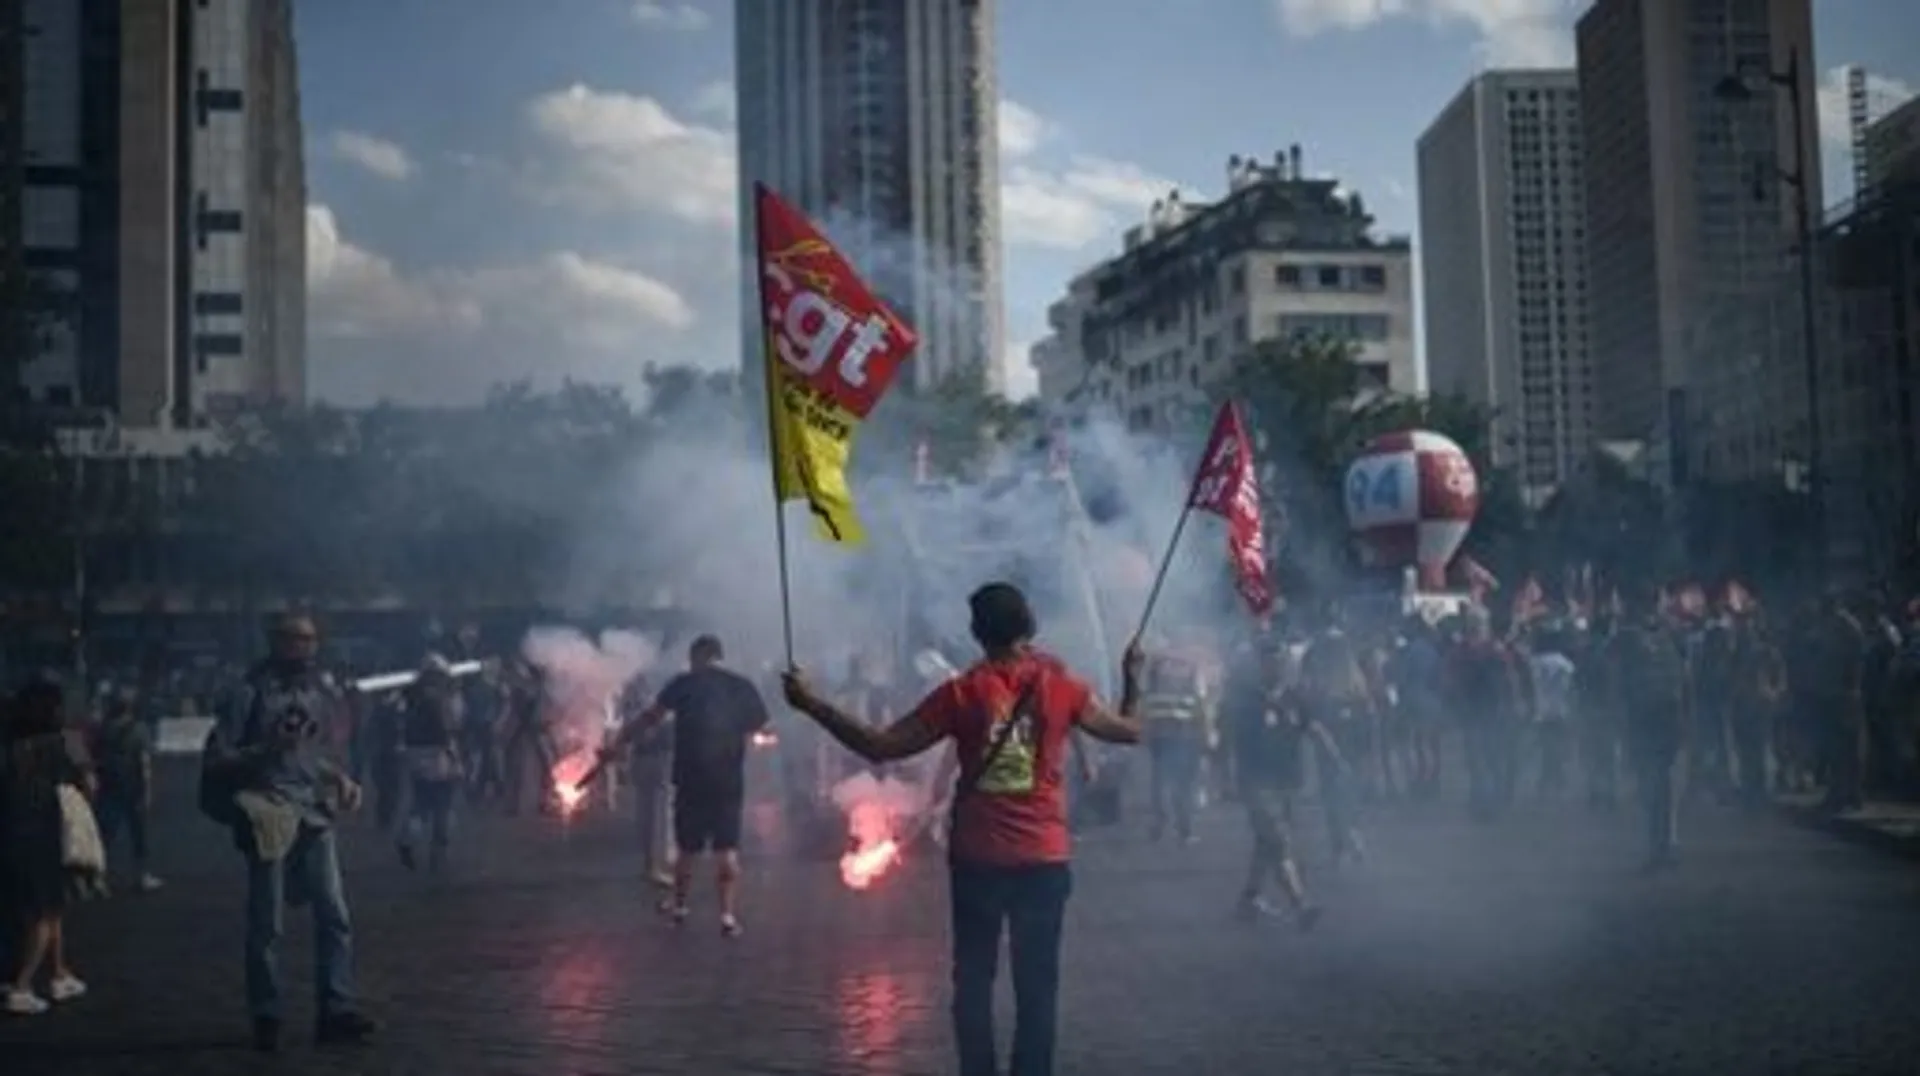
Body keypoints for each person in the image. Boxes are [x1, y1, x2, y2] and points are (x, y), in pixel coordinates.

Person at [782, 581, 1145, 1076]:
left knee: (973, 983)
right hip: (1043, 859)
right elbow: (1130, 730)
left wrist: (813, 705)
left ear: (977, 632)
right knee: (1037, 987)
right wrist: (1133, 678)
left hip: (979, 860)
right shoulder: (1064, 687)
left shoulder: (961, 693)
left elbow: (880, 745)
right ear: (1029, 626)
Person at [201, 614, 376, 1051]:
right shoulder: (249, 691)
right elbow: (220, 756)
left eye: (310, 639)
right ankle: (267, 1012)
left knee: (335, 915)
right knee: (267, 922)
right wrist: (266, 750)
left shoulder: (318, 690)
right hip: (269, 810)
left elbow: (318, 751)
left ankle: (336, 1008)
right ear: (277, 642)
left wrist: (340, 778)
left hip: (314, 812)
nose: (306, 648)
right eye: (296, 639)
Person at [603, 634, 769, 936]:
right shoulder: (741, 686)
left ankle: (680, 908)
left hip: (691, 777)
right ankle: (727, 917)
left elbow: (651, 718)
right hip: (727, 780)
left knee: (687, 849)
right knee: (727, 850)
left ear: (697, 657)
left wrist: (620, 741)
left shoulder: (684, 683)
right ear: (720, 656)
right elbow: (761, 728)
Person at [1224, 641, 1331, 929]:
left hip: (1287, 781)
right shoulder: (1246, 700)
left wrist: (1335, 758)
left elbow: (1313, 727)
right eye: (1270, 662)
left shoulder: (1295, 697)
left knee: (1266, 844)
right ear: (1260, 666)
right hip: (1255, 782)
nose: (1278, 668)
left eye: (1281, 662)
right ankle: (1301, 905)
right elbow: (1228, 741)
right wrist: (1226, 777)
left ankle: (1249, 900)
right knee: (1279, 841)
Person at [2, 679, 91, 1016]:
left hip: (11, 833)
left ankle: (58, 971)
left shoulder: (10, 745)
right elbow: (88, 781)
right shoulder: (65, 741)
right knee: (44, 912)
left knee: (44, 909)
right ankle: (23, 985)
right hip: (45, 834)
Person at [91, 687, 163, 892]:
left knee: (106, 834)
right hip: (132, 785)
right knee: (138, 833)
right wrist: (148, 789)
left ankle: (98, 878)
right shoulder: (139, 729)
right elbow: (144, 762)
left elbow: (96, 757)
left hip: (109, 784)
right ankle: (141, 876)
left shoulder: (104, 728)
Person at [396, 657, 463, 873]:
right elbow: (446, 731)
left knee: (421, 804)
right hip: (437, 755)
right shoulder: (439, 699)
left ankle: (407, 838)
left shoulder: (409, 696)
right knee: (443, 804)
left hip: (415, 755)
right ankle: (438, 853)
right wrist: (455, 757)